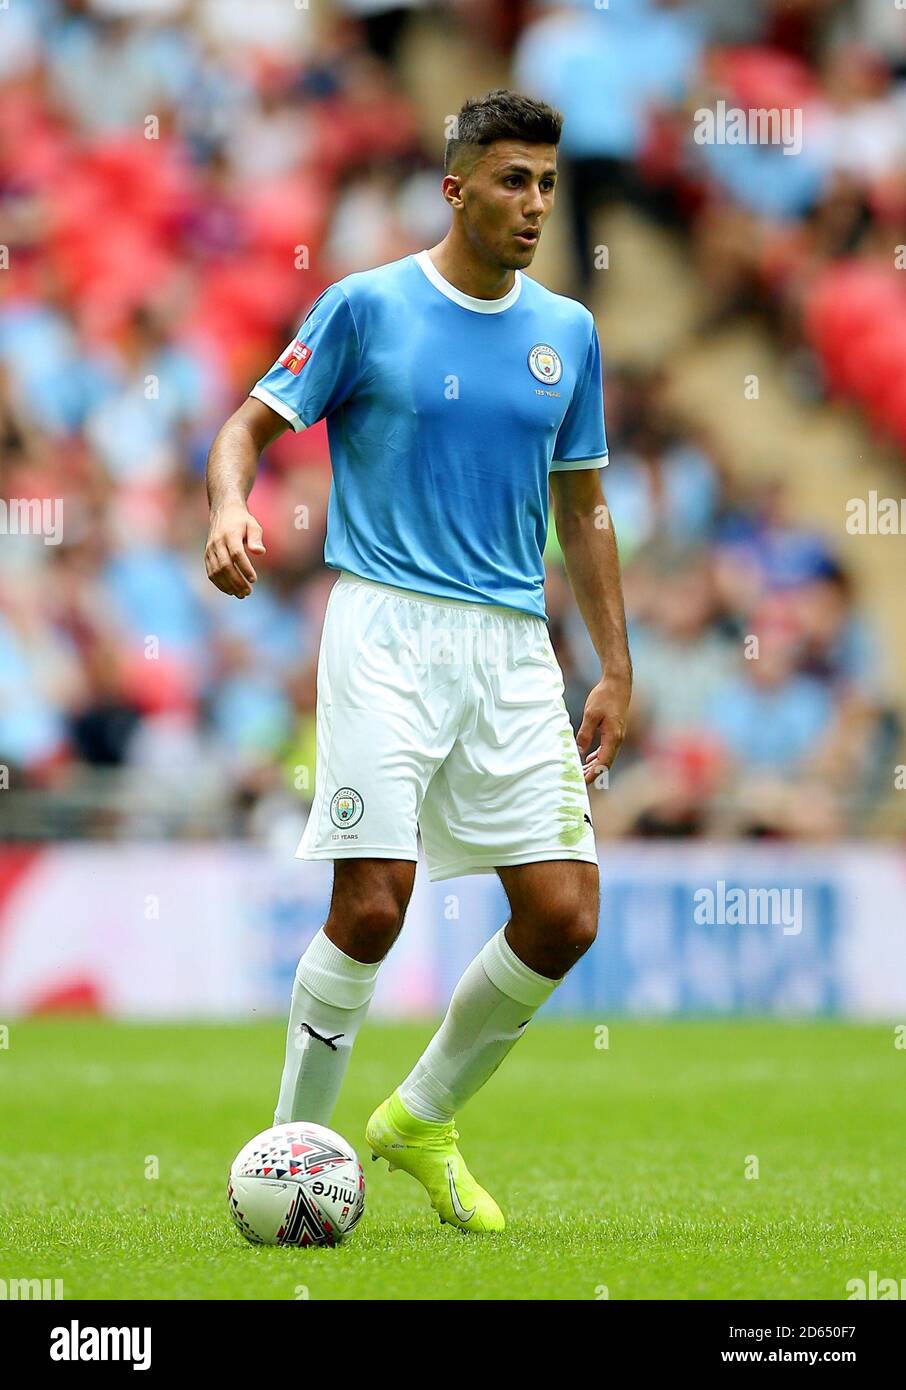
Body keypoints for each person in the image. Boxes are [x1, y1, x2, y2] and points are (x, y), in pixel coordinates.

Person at [204, 89, 632, 1232]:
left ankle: (422, 1114)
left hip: (510, 647)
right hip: (386, 626)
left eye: (546, 182)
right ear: (456, 188)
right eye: (511, 180)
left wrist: (615, 667)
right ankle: (292, 1156)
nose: (534, 202)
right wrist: (228, 508)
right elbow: (245, 424)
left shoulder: (567, 335)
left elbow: (583, 510)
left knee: (565, 914)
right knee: (374, 903)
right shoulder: (367, 307)